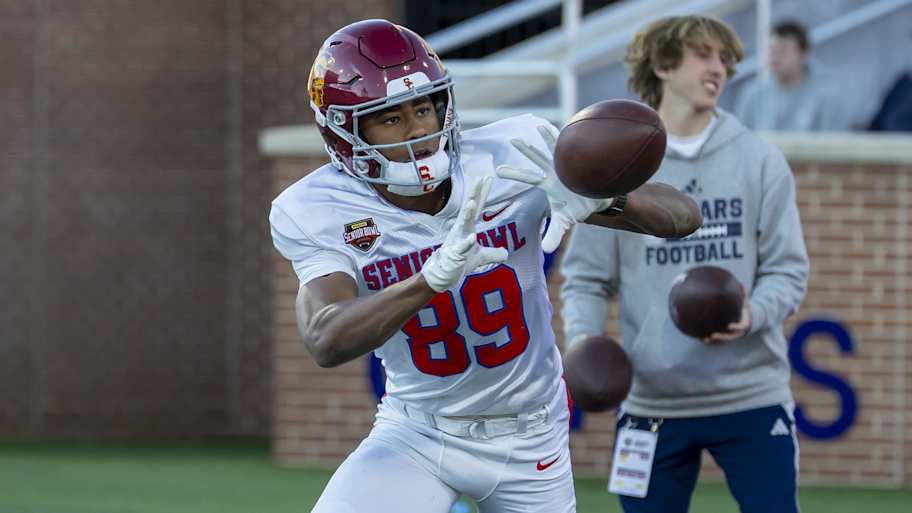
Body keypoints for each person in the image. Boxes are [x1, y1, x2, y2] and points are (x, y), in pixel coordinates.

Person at [269, 19, 701, 513]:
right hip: (418, 432)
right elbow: (325, 338)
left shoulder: (512, 154)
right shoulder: (318, 208)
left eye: (425, 107)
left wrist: (602, 194)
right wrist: (429, 279)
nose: (419, 131)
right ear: (345, 133)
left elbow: (683, 217)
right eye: (390, 118)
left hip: (530, 433)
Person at [560, 15, 809, 513]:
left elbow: (788, 269)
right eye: (703, 54)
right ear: (663, 65)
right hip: (652, 403)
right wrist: (584, 342)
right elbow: (586, 279)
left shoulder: (760, 161)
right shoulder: (616, 168)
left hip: (751, 395)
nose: (718, 68)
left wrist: (752, 315)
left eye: (725, 59)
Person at [734, 19, 846, 131]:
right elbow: (740, 142)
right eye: (771, 50)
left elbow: (832, 143)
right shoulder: (752, 94)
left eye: (783, 51)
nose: (775, 57)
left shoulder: (827, 96)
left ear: (803, 54)